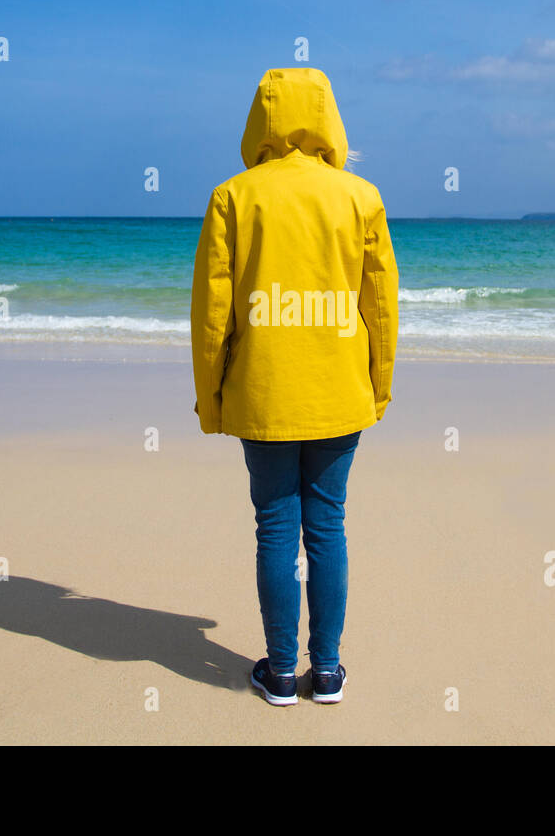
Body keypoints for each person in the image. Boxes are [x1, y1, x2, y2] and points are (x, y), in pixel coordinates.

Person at [190, 67, 399, 706]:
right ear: (329, 117)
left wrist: (212, 399)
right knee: (327, 526)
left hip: (263, 391)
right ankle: (328, 672)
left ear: (260, 120)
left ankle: (282, 673)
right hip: (339, 391)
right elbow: (381, 305)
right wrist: (378, 387)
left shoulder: (234, 195)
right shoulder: (360, 196)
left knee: (276, 527)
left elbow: (211, 312)